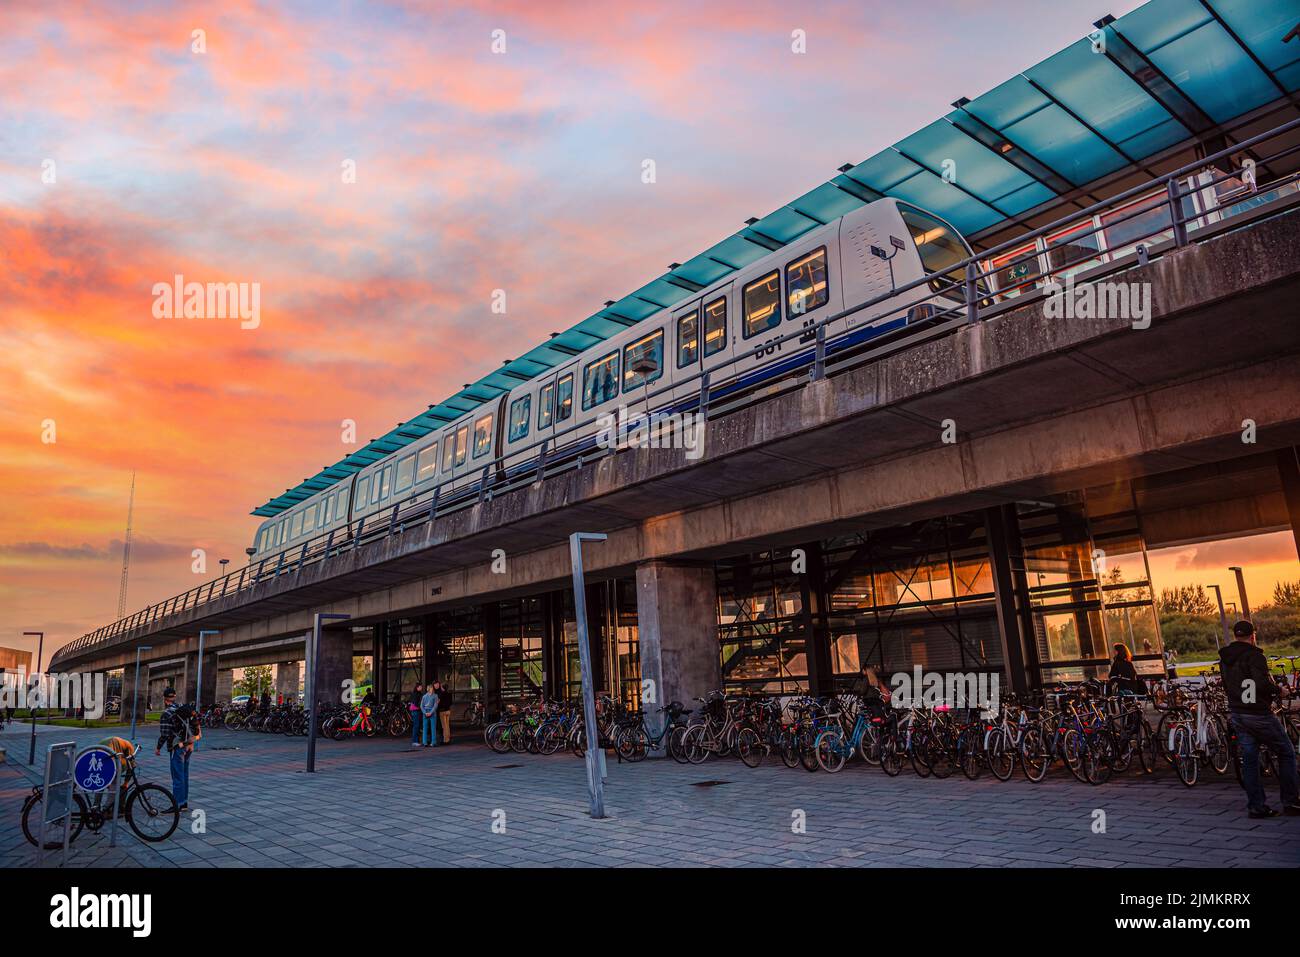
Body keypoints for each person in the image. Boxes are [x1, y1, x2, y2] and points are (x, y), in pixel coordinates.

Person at [1218, 620, 1299, 818]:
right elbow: (1260, 683)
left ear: (1236, 635)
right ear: (1253, 635)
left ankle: (1256, 806)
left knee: (1250, 760)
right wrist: (1279, 690)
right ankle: (1290, 801)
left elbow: (1231, 685)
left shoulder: (1225, 658)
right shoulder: (1254, 656)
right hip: (1257, 713)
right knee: (1286, 752)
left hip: (1237, 712)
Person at [154, 688, 198, 812]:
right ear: (174, 697)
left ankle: (177, 804)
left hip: (177, 747)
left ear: (164, 699)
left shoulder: (167, 713)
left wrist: (158, 748)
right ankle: (183, 803)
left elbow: (165, 734)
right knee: (184, 774)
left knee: (177, 776)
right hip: (189, 745)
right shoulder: (182, 708)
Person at [420, 683, 439, 748]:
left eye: (431, 688)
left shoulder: (424, 696)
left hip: (426, 712)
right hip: (431, 712)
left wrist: (425, 712)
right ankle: (433, 742)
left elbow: (421, 706)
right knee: (432, 728)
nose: (431, 689)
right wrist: (429, 712)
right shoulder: (435, 696)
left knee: (425, 728)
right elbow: (435, 705)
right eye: (431, 688)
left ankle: (425, 742)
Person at [435, 680, 453, 745]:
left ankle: (445, 740)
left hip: (442, 711)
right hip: (448, 710)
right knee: (447, 726)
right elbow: (451, 703)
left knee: (444, 726)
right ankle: (448, 738)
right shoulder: (449, 693)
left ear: (443, 687)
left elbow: (438, 702)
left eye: (441, 687)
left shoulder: (441, 694)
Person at [407, 683, 424, 748]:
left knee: (416, 726)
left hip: (414, 711)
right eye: (420, 687)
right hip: (416, 711)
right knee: (416, 726)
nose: (421, 688)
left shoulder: (414, 693)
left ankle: (416, 741)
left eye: (421, 687)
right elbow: (416, 703)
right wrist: (421, 707)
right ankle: (415, 741)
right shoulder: (416, 694)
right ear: (417, 687)